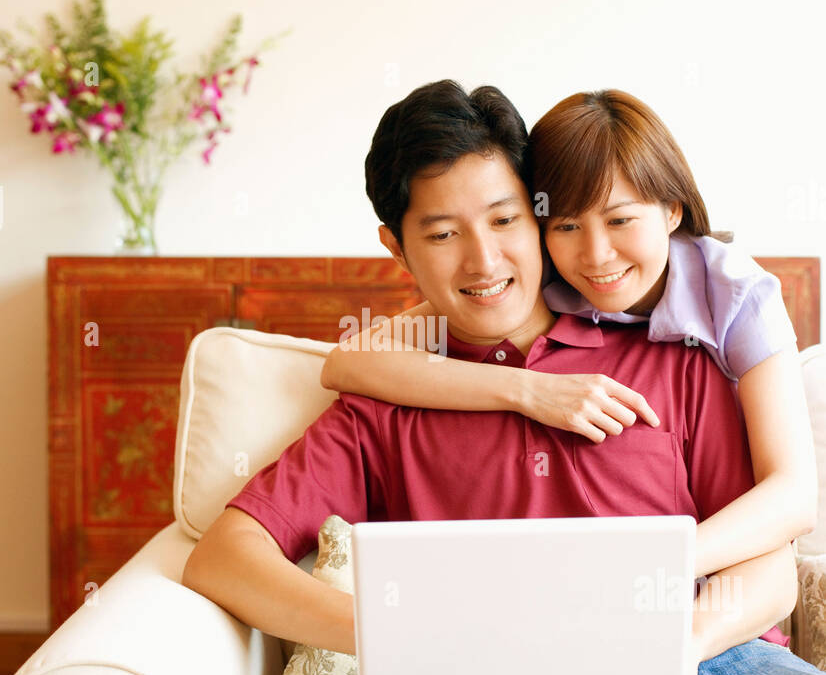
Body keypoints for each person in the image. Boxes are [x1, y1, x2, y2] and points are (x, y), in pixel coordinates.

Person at [181, 80, 822, 675]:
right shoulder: (387, 403)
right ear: (395, 246)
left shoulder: (676, 350)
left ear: (540, 215)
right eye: (442, 233)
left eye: (506, 219)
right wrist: (385, 637)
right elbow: (225, 555)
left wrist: (671, 648)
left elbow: (768, 562)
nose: (483, 259)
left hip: (720, 674)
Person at [320, 87, 818, 586]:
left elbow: (793, 497)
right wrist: (527, 392)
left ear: (672, 210)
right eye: (566, 225)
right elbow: (350, 360)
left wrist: (655, 567)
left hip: (718, 550)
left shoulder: (737, 298)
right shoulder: (543, 277)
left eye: (620, 219)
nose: (597, 255)